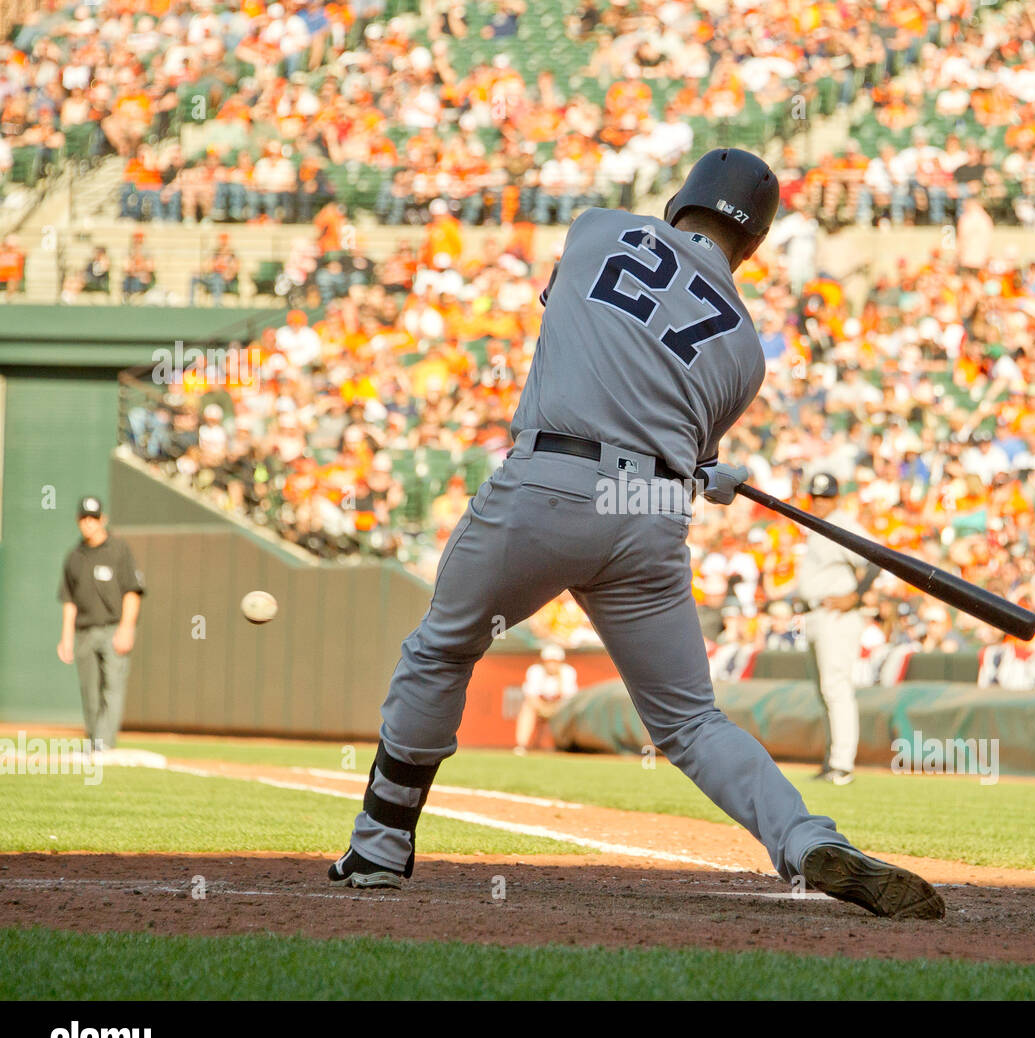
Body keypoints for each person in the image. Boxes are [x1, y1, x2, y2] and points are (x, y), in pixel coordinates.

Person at [328, 148, 944, 920]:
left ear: (681, 200)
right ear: (753, 244)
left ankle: (380, 847)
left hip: (550, 482)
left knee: (443, 647)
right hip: (648, 512)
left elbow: (590, 330)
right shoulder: (748, 350)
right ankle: (804, 836)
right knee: (688, 720)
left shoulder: (596, 229)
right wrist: (703, 468)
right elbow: (686, 446)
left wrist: (694, 459)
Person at [796, 472, 878, 786]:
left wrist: (855, 597)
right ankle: (832, 761)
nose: (819, 501)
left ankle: (842, 765)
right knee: (824, 690)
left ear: (836, 498)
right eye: (815, 496)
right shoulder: (819, 527)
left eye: (825, 496)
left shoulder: (841, 522)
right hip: (815, 615)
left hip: (836, 617)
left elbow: (875, 558)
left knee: (836, 688)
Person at [56, 497, 145, 751]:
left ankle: (104, 744)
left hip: (112, 628)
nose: (89, 524)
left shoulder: (119, 550)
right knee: (90, 693)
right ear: (78, 521)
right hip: (84, 631)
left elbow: (132, 591)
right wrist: (66, 637)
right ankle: (95, 742)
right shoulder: (74, 556)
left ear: (102, 519)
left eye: (93, 518)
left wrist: (127, 627)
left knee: (112, 688)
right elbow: (69, 600)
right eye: (84, 519)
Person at [513, 644, 579, 754]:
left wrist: (554, 708)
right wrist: (544, 709)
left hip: (559, 707)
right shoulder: (535, 671)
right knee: (527, 709)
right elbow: (531, 697)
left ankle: (569, 747)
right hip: (540, 706)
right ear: (543, 661)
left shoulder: (568, 672)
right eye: (549, 661)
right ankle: (521, 746)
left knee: (573, 711)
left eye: (555, 661)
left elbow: (569, 699)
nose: (552, 665)